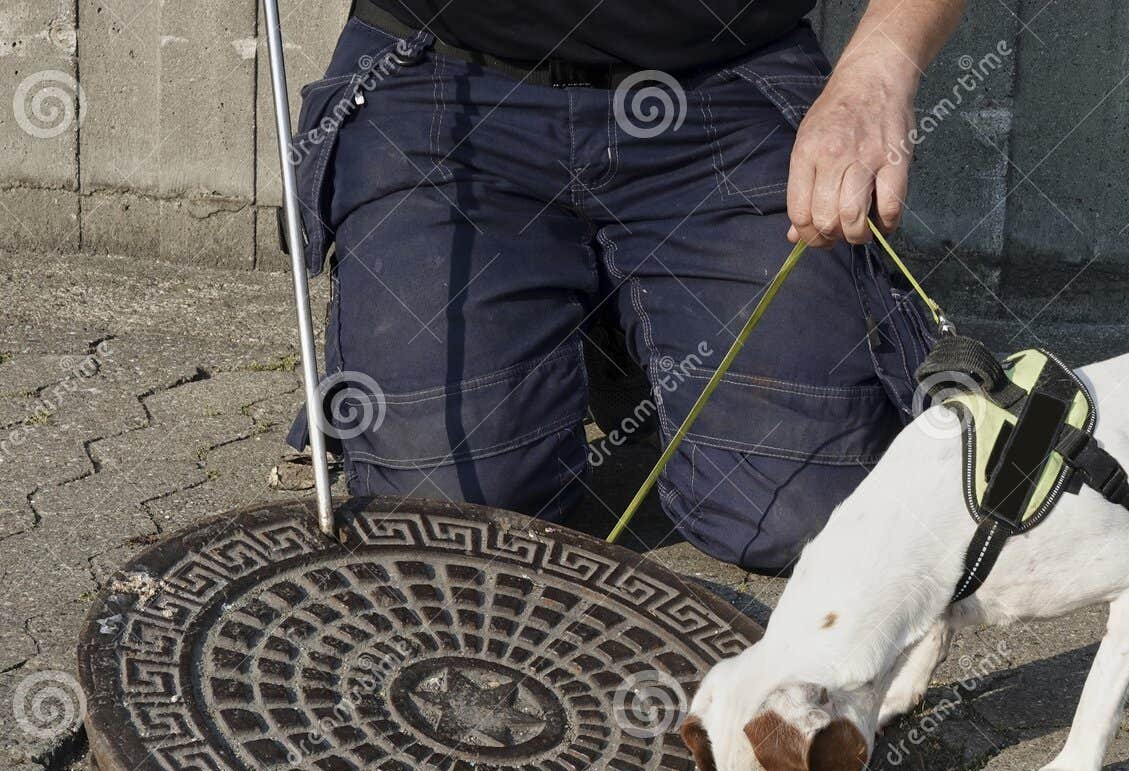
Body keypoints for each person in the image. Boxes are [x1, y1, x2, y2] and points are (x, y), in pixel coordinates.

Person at [286, 0, 967, 571]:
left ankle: (617, 319)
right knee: (446, 516)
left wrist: (879, 68)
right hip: (448, 77)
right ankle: (561, 317)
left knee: (805, 508)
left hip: (723, 81)